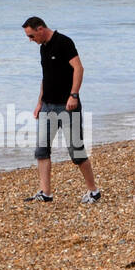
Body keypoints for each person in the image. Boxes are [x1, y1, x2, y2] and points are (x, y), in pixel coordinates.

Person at [22, 16, 100, 203]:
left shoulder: (64, 42)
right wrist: (39, 102)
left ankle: (94, 191)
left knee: (76, 151)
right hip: (47, 106)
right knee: (41, 150)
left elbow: (78, 69)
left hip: (67, 106)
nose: (31, 40)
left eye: (32, 36)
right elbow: (45, 77)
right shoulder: (43, 48)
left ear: (40, 29)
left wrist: (74, 95)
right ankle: (45, 192)